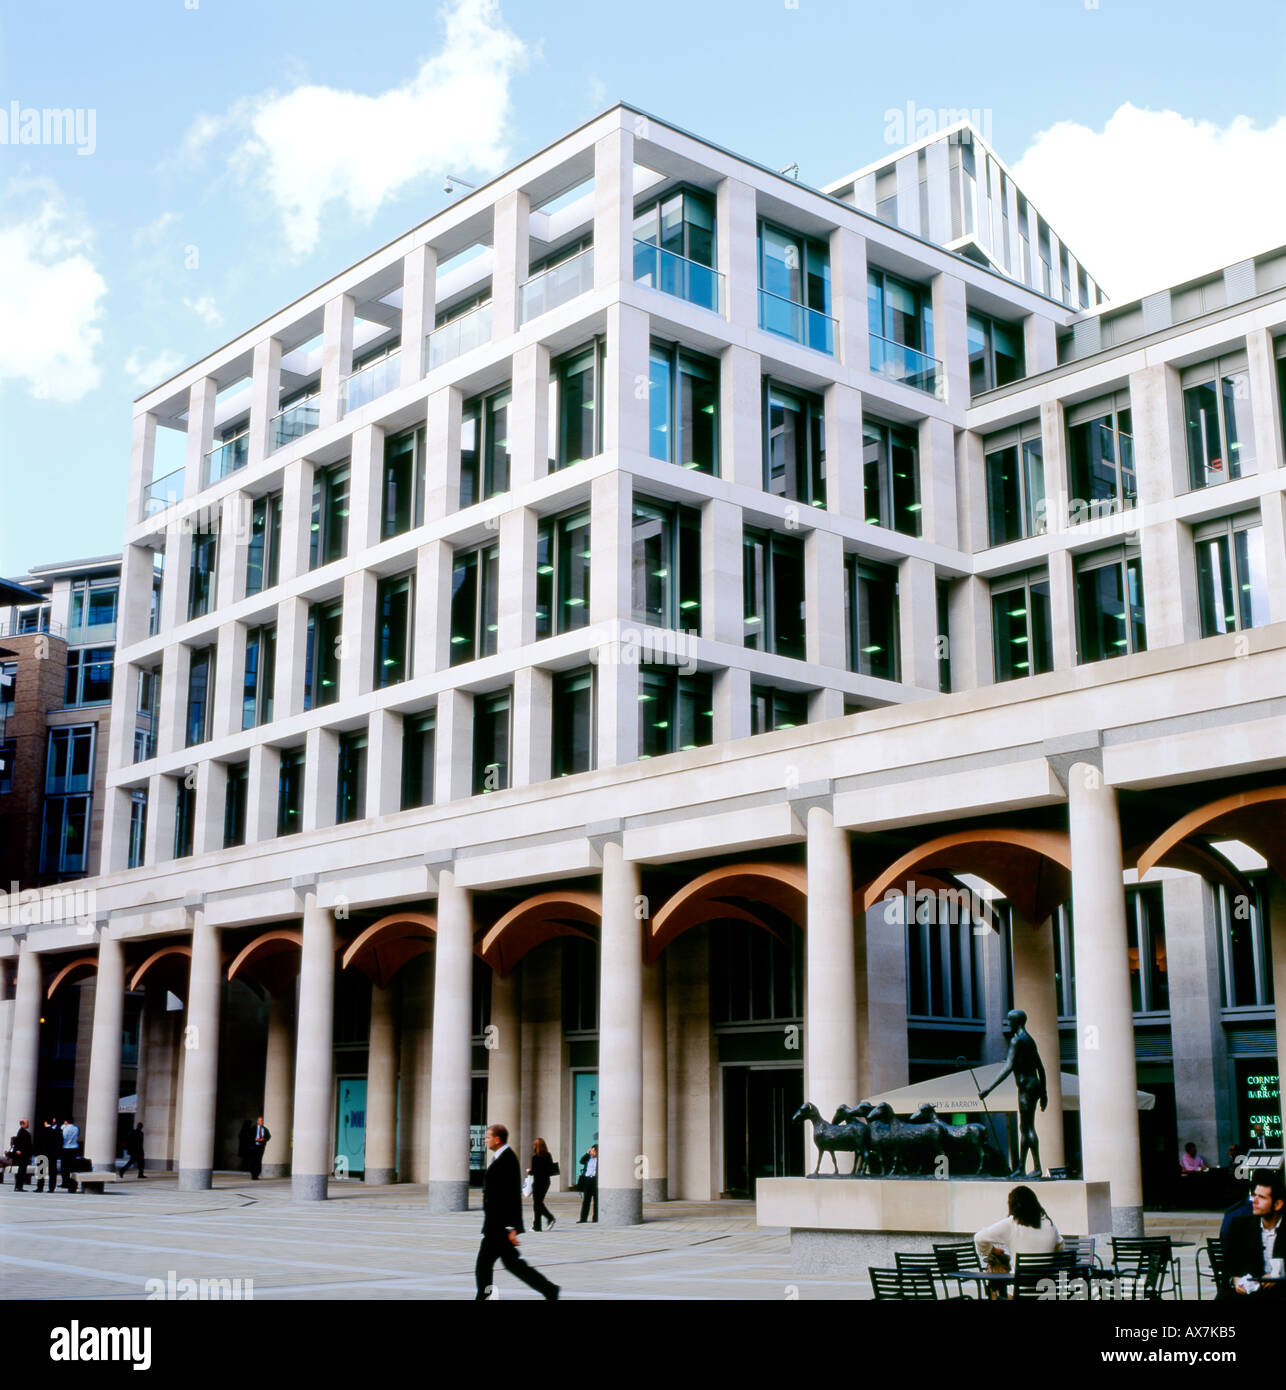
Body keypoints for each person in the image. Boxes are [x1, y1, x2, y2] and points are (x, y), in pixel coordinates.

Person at [474, 1123, 559, 1301]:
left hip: (498, 1227)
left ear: (497, 1139)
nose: (485, 1140)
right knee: (512, 1265)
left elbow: (511, 1195)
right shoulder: (501, 1157)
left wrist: (512, 1227)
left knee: (485, 1266)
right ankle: (549, 1289)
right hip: (497, 1225)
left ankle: (484, 1296)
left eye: (488, 1137)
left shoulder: (507, 1159)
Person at [979, 1009, 1047, 1178]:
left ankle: (1037, 1167)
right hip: (1034, 1085)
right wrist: (1044, 1092)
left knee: (1028, 1128)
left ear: (1016, 1022)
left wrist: (989, 1089)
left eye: (1010, 1020)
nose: (1008, 1023)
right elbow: (1040, 1068)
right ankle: (1021, 1167)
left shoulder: (1016, 1041)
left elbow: (1008, 1067)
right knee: (1024, 1127)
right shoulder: (1030, 1040)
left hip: (1026, 1087)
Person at [974, 1184, 1065, 1267]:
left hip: (1020, 1279)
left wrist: (992, 1250)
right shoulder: (1049, 1224)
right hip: (1046, 1279)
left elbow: (979, 1238)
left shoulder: (1011, 1224)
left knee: (996, 1260)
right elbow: (1060, 1247)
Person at [1226, 1173, 1286, 1298]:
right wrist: (1235, 1280)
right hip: (1250, 1295)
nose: (1255, 1201)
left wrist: (1279, 1276)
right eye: (1254, 1195)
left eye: (1262, 1197)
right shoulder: (1240, 1226)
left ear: (1278, 1204)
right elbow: (1229, 1266)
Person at [528, 1137, 557, 1232]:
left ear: (536, 1146)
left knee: (537, 1204)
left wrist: (529, 1171)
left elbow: (535, 1171)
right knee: (538, 1203)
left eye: (534, 1145)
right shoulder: (548, 1155)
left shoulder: (535, 1157)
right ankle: (537, 1226)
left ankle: (549, 1218)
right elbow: (548, 1169)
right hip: (546, 1182)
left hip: (538, 1182)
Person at [35, 1117, 62, 1194]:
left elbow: (37, 1143)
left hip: (42, 1153)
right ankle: (51, 1188)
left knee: (41, 1171)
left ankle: (40, 1187)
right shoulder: (56, 1132)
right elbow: (59, 1143)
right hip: (52, 1154)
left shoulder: (41, 1131)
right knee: (52, 1172)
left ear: (45, 1123)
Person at [8, 1119, 33, 1191]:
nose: (28, 1124)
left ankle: (19, 1186)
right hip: (23, 1156)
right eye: (27, 1123)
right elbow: (21, 1144)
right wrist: (19, 1151)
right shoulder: (22, 1132)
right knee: (21, 1171)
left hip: (24, 1155)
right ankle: (18, 1186)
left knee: (22, 1171)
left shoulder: (22, 1132)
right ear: (22, 1124)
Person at [577, 1143, 598, 1223]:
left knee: (596, 1200)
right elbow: (581, 1161)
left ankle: (595, 1218)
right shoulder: (588, 1158)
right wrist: (587, 1154)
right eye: (591, 1151)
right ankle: (583, 1218)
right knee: (586, 1200)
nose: (592, 1152)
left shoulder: (600, 1159)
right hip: (587, 1180)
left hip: (595, 1180)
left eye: (593, 1151)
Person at [60, 1117, 81, 1191]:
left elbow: (63, 1137)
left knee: (64, 1167)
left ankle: (65, 1182)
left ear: (66, 1121)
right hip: (74, 1148)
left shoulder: (65, 1128)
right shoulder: (76, 1128)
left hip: (66, 1148)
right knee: (72, 1166)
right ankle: (73, 1182)